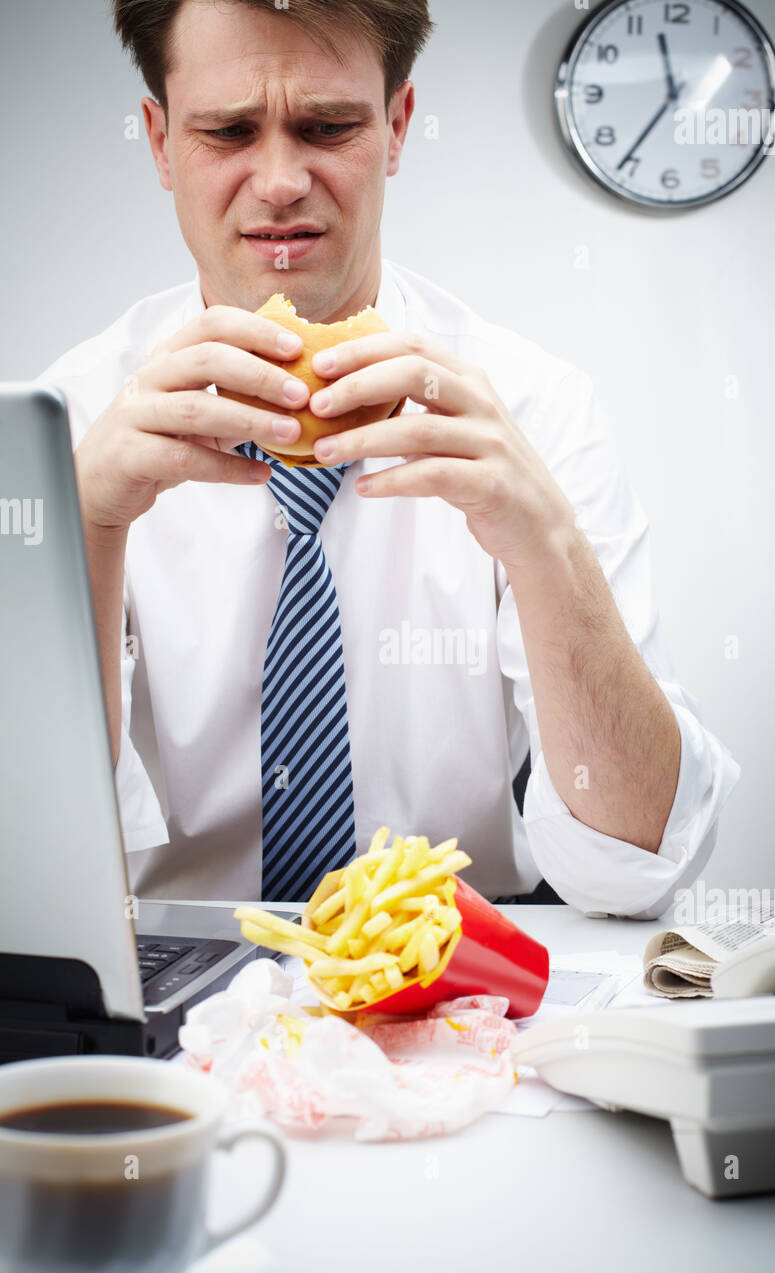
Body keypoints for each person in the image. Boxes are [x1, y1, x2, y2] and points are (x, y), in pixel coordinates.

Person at [37, 0, 739, 914]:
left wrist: (546, 547)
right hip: (172, 976)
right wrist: (84, 536)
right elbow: (29, 868)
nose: (280, 182)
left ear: (398, 125)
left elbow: (638, 866)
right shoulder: (63, 424)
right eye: (229, 131)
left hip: (453, 972)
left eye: (328, 127)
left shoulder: (533, 409)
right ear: (161, 142)